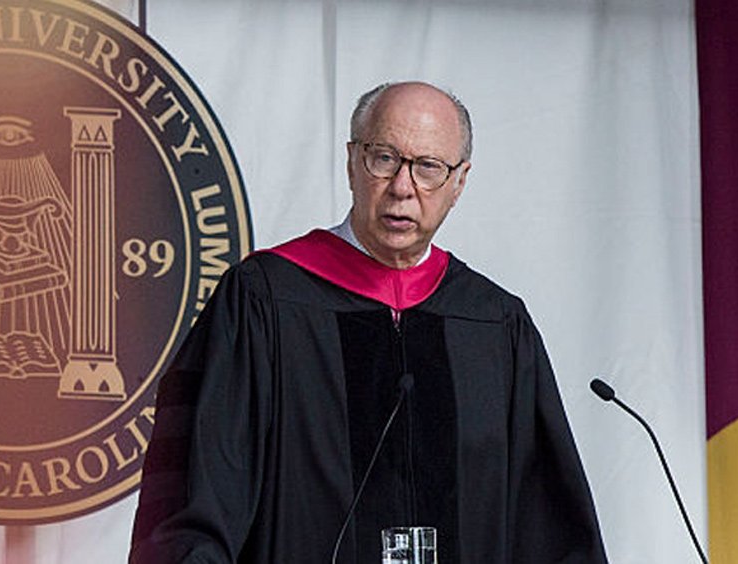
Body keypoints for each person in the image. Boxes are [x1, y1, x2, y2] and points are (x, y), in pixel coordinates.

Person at [128, 81, 607, 563]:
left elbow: (550, 529)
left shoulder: (495, 326)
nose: (403, 187)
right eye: (384, 158)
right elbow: (195, 503)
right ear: (352, 161)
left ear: (458, 182)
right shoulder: (263, 302)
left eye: (428, 168)